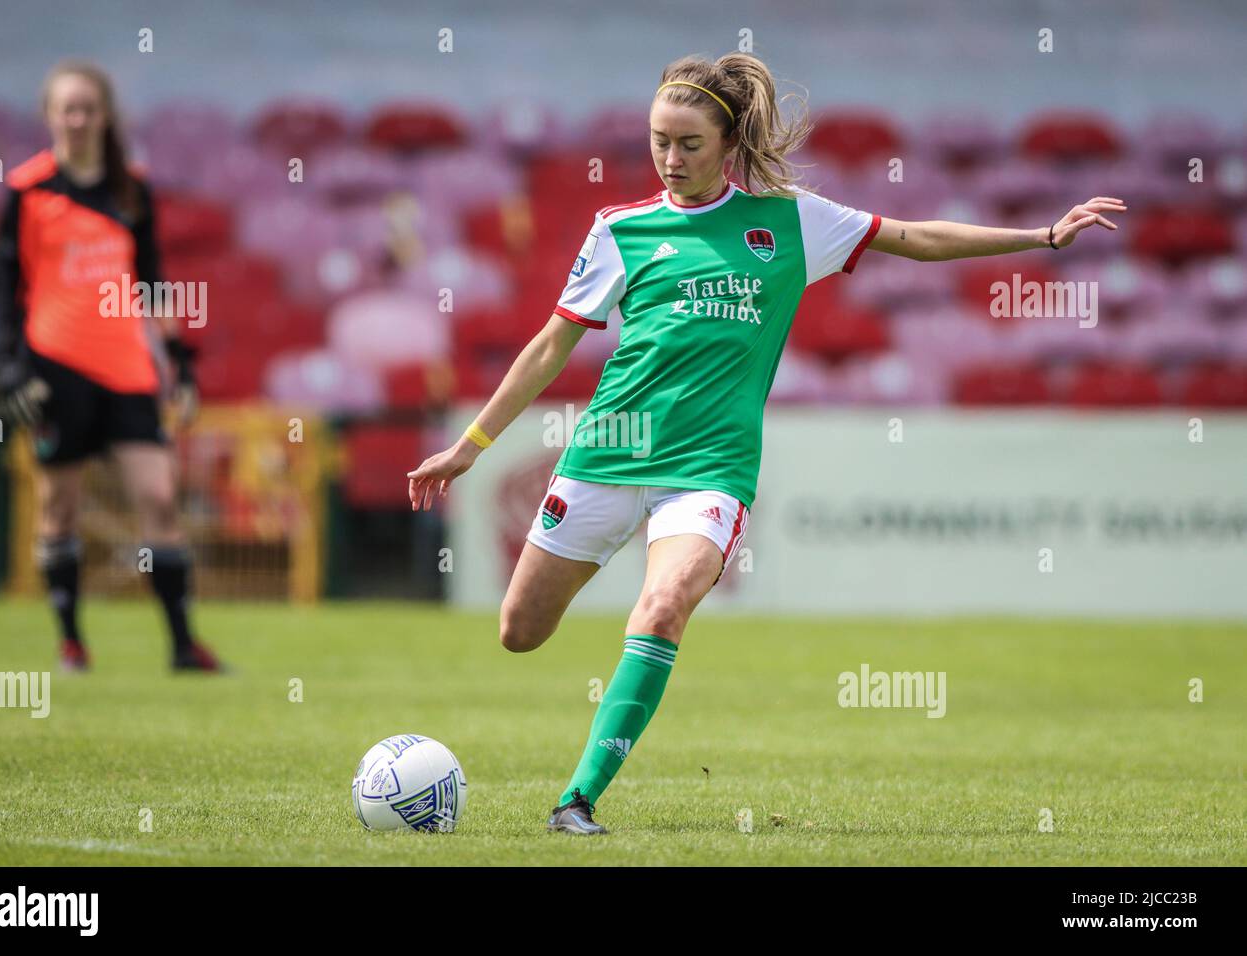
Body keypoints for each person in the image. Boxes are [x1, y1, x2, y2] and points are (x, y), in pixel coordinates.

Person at [407, 52, 1124, 834]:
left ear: (728, 144)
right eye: (658, 143)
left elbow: (915, 236)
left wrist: (1044, 236)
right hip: (609, 450)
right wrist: (470, 445)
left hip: (710, 470)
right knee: (520, 633)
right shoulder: (621, 230)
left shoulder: (789, 220)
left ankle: (576, 800)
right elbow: (550, 346)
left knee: (661, 609)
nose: (671, 160)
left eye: (688, 144)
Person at [0, 60, 223, 673]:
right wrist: (10, 368)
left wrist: (180, 361)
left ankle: (181, 645)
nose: (79, 118)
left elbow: (152, 283)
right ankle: (71, 643)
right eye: (68, 107)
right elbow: (4, 290)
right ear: (50, 115)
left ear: (105, 116)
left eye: (89, 107)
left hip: (125, 368)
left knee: (159, 497)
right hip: (55, 365)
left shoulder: (132, 189)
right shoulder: (27, 191)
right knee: (59, 508)